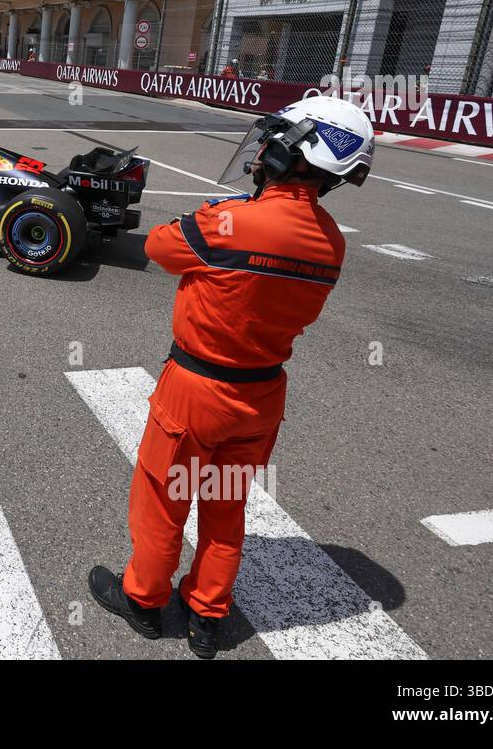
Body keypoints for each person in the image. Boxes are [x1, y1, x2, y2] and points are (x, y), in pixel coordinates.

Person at [88, 96, 375, 659]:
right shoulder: (331, 241)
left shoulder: (229, 221)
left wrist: (229, 210)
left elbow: (157, 247)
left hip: (195, 391)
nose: (262, 149)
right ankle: (207, 615)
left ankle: (143, 601)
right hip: (261, 395)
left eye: (273, 141)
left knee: (163, 500)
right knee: (225, 505)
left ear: (292, 153)